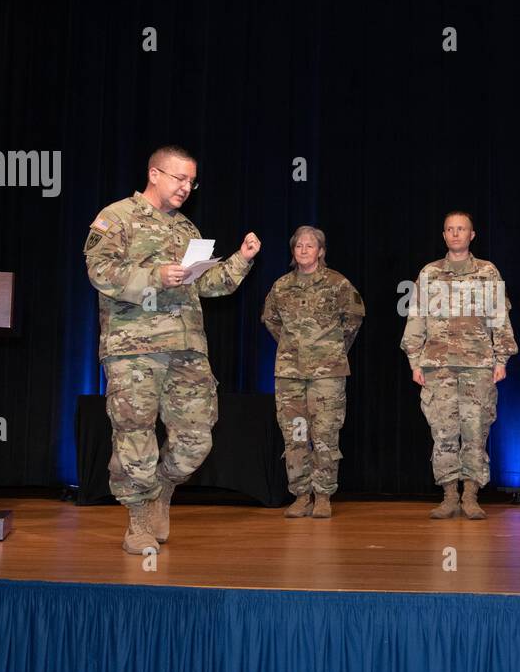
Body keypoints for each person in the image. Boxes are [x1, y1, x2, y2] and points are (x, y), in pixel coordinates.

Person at [84, 145, 261, 553]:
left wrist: (241, 259)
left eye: (191, 181)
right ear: (154, 173)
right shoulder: (117, 217)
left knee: (196, 439)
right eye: (180, 178)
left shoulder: (187, 229)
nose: (186, 187)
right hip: (134, 348)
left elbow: (206, 284)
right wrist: (155, 275)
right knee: (135, 434)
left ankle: (162, 488)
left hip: (187, 348)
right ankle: (139, 519)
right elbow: (100, 270)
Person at [401, 211, 518, 519]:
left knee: (475, 430)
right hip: (437, 367)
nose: (455, 234)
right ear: (444, 235)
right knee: (443, 431)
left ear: (472, 235)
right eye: (450, 229)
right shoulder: (429, 273)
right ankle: (449, 494)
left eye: (461, 229)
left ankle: (470, 494)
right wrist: (415, 361)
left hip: (477, 366)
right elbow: (416, 320)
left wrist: (501, 359)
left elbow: (499, 319)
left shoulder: (487, 272)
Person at [261, 226, 365, 519]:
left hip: (327, 374)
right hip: (290, 372)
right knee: (294, 435)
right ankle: (301, 494)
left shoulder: (337, 284)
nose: (304, 250)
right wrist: (293, 346)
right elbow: (270, 319)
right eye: (299, 246)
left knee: (324, 434)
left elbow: (354, 319)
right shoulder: (281, 286)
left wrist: (331, 349)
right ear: (293, 251)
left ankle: (323, 495)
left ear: (321, 251)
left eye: (310, 246)